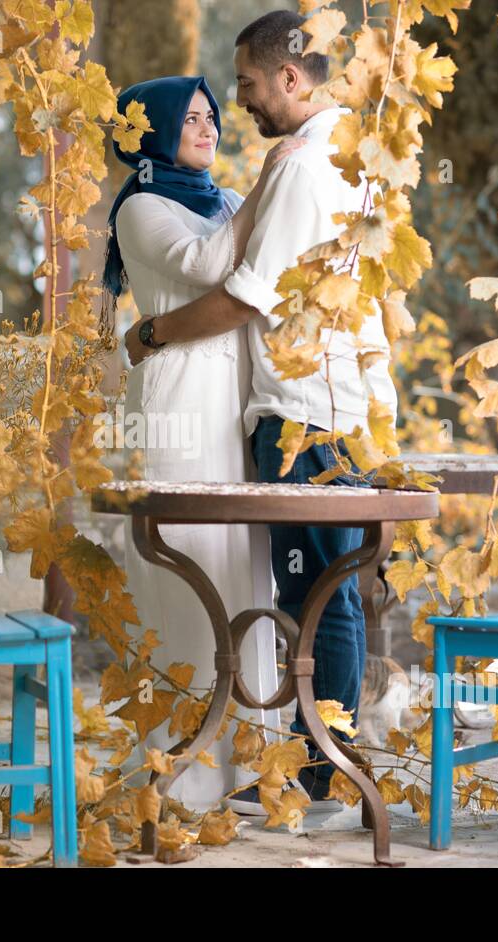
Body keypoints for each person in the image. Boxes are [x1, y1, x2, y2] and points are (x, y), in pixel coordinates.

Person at [123, 10, 399, 812]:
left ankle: (318, 778)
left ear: (289, 76)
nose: (239, 101)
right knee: (329, 590)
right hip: (343, 402)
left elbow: (244, 295)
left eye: (244, 84)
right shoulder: (355, 153)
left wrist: (151, 333)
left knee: (317, 597)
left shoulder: (301, 166)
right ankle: (319, 768)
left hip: (303, 409)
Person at [103, 73, 304, 815]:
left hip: (234, 406)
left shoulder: (217, 201)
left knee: (238, 572)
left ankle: (246, 763)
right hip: (178, 405)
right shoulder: (143, 207)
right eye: (190, 118)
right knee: (185, 571)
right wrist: (268, 188)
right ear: (152, 128)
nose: (208, 127)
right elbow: (210, 267)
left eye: (212, 116)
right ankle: (182, 771)